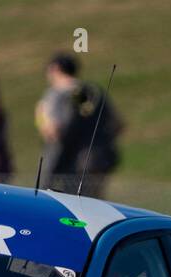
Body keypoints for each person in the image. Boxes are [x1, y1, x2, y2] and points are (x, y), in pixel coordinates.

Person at [36, 53, 122, 196]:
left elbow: (53, 131)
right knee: (94, 207)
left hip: (71, 164)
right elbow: (118, 125)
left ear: (55, 69)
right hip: (99, 159)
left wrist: (40, 115)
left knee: (74, 210)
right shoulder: (95, 91)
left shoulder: (57, 95)